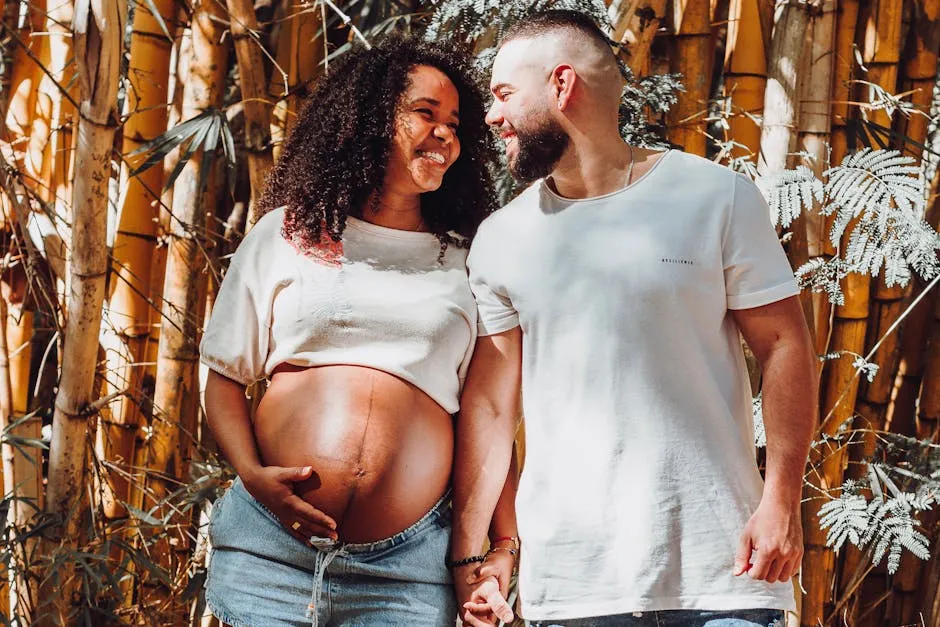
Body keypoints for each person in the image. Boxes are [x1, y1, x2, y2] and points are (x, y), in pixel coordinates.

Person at [450, 10, 819, 627]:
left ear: (562, 85)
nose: (491, 116)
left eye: (504, 94)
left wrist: (783, 499)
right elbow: (490, 409)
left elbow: (784, 344)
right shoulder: (501, 239)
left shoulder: (715, 197)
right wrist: (480, 557)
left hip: (723, 574)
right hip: (574, 584)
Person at [199, 34, 498, 626]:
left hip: (406, 570)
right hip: (270, 555)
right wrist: (255, 478)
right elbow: (223, 378)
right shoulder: (288, 232)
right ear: (368, 120)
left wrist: (492, 555)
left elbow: (487, 418)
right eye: (425, 113)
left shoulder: (472, 260)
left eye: (455, 125)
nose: (444, 133)